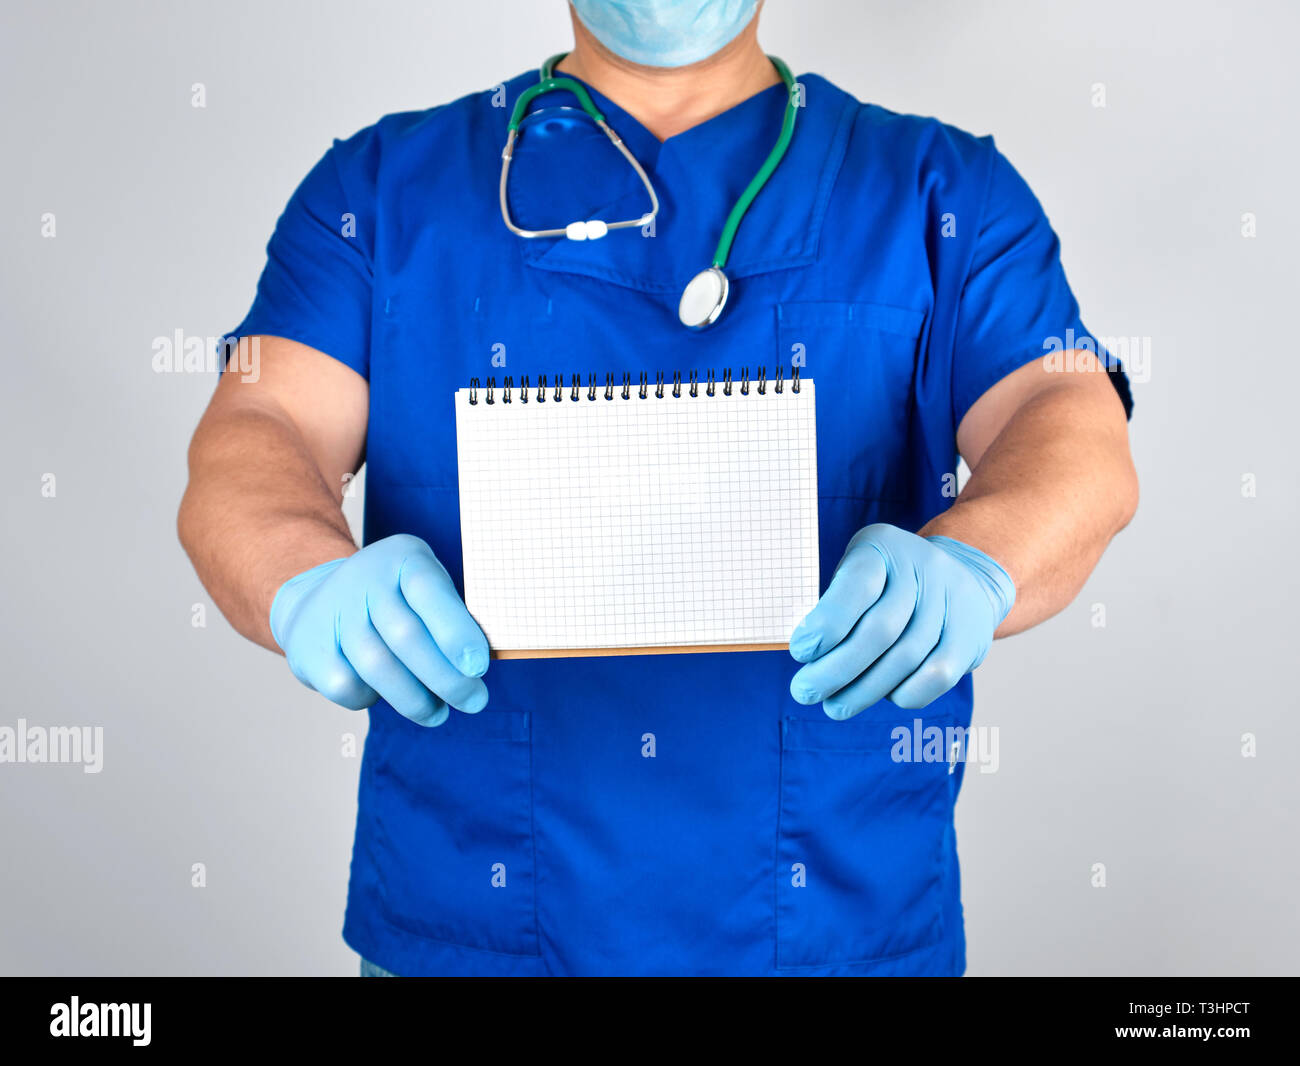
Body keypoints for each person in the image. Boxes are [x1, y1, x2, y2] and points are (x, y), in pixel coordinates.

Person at [179, 0, 1138, 976]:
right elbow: (263, 430)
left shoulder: (940, 191)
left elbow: (1066, 428)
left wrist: (974, 562)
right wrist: (303, 577)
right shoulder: (381, 190)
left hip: (837, 926)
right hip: (473, 924)